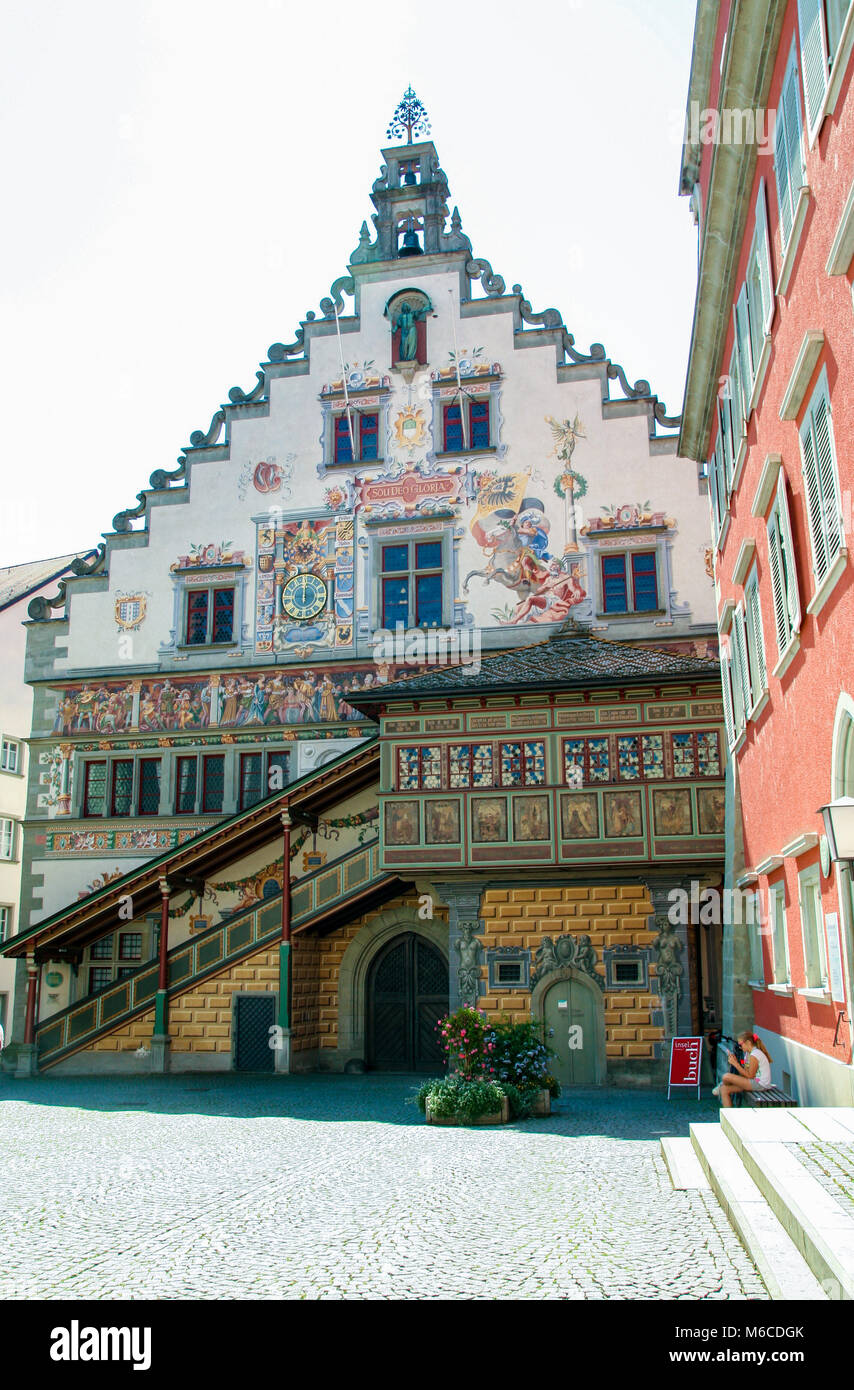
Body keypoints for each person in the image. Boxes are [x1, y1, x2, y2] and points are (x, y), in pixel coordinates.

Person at [712, 1031, 773, 1107]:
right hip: (753, 1082)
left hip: (760, 1084)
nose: (740, 1047)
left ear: (748, 1042)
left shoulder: (755, 1054)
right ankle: (729, 1116)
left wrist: (736, 1064)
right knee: (724, 1090)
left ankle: (720, 1085)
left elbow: (750, 1076)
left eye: (741, 1044)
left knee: (726, 1076)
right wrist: (736, 1062)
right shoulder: (748, 1054)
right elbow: (744, 1073)